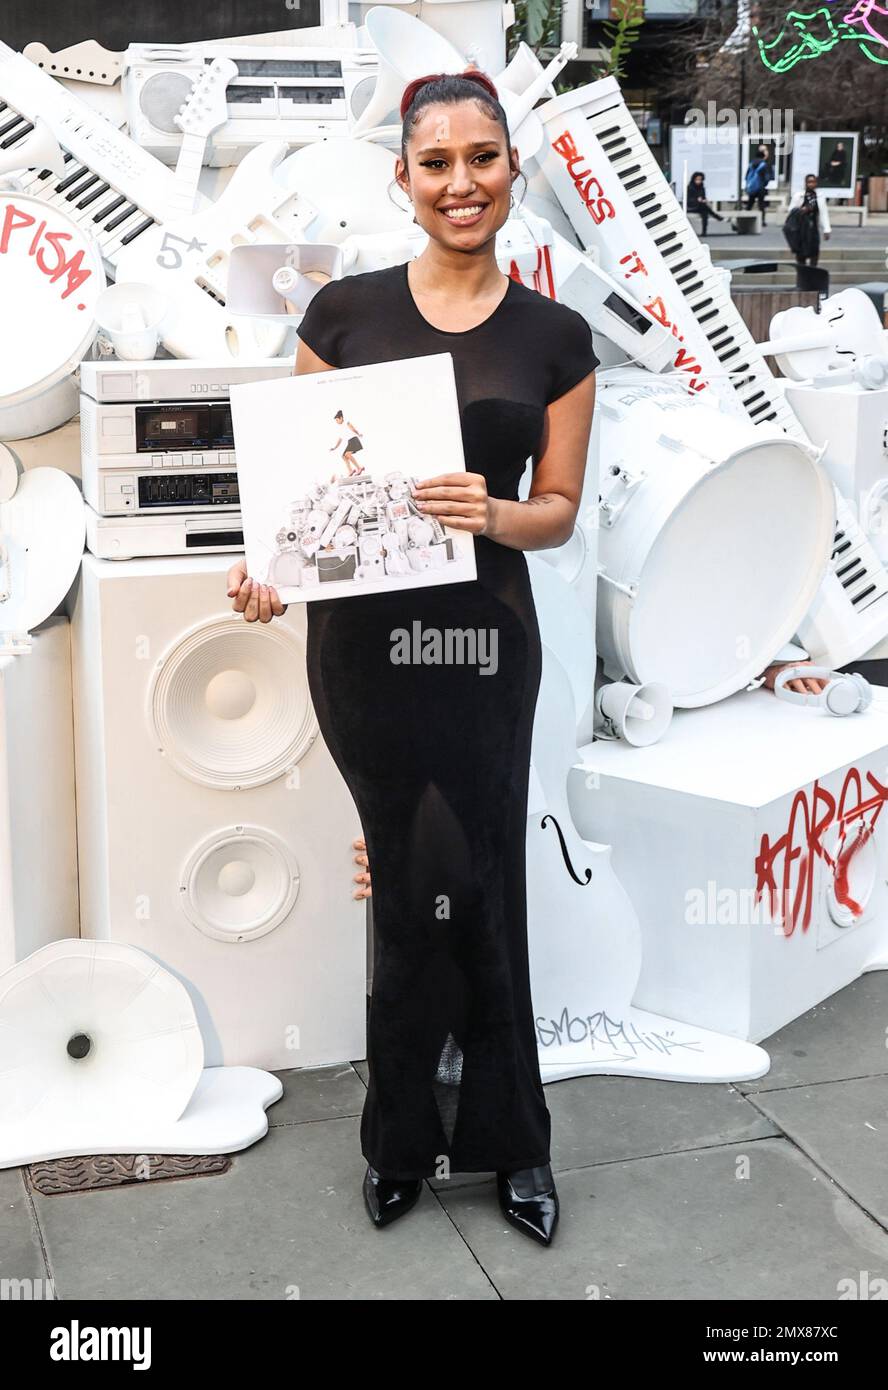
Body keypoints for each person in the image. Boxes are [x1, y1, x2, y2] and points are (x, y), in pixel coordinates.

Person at [226, 67, 599, 1246]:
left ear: (512, 171)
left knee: (483, 880)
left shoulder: (554, 335)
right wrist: (267, 575)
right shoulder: (344, 315)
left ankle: (512, 1143)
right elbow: (300, 502)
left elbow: (561, 509)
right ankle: (399, 1140)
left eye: (482, 158)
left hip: (488, 645)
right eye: (435, 162)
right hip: (366, 653)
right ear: (402, 177)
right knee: (403, 879)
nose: (460, 182)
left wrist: (489, 512)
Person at [786, 173, 832, 267]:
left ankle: (813, 271)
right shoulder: (799, 195)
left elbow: (823, 213)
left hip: (813, 227)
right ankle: (802, 271)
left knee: (814, 251)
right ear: (805, 183)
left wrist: (827, 229)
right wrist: (801, 210)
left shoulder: (819, 196)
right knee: (801, 252)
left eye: (813, 182)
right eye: (809, 182)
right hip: (801, 228)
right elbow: (791, 210)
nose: (811, 184)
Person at [686, 171, 724, 236]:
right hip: (692, 206)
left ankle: (704, 232)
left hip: (701, 206)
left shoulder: (702, 187)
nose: (698, 181)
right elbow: (688, 199)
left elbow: (703, 197)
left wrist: (704, 200)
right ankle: (715, 216)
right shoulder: (690, 187)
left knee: (705, 212)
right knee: (704, 207)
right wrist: (697, 200)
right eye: (697, 179)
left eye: (700, 180)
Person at [330, 409, 364, 476]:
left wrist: (358, 434)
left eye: (337, 420)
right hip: (350, 442)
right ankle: (350, 470)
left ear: (341, 418)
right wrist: (334, 448)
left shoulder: (346, 422)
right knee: (343, 456)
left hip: (354, 440)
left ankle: (359, 468)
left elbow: (352, 428)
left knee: (347, 454)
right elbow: (340, 439)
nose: (336, 422)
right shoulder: (340, 428)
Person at [744, 145, 773, 223]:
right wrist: (764, 184)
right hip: (760, 188)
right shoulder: (763, 164)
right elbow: (767, 178)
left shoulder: (751, 163)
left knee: (750, 204)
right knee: (761, 205)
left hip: (752, 187)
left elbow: (746, 176)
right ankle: (762, 221)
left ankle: (744, 219)